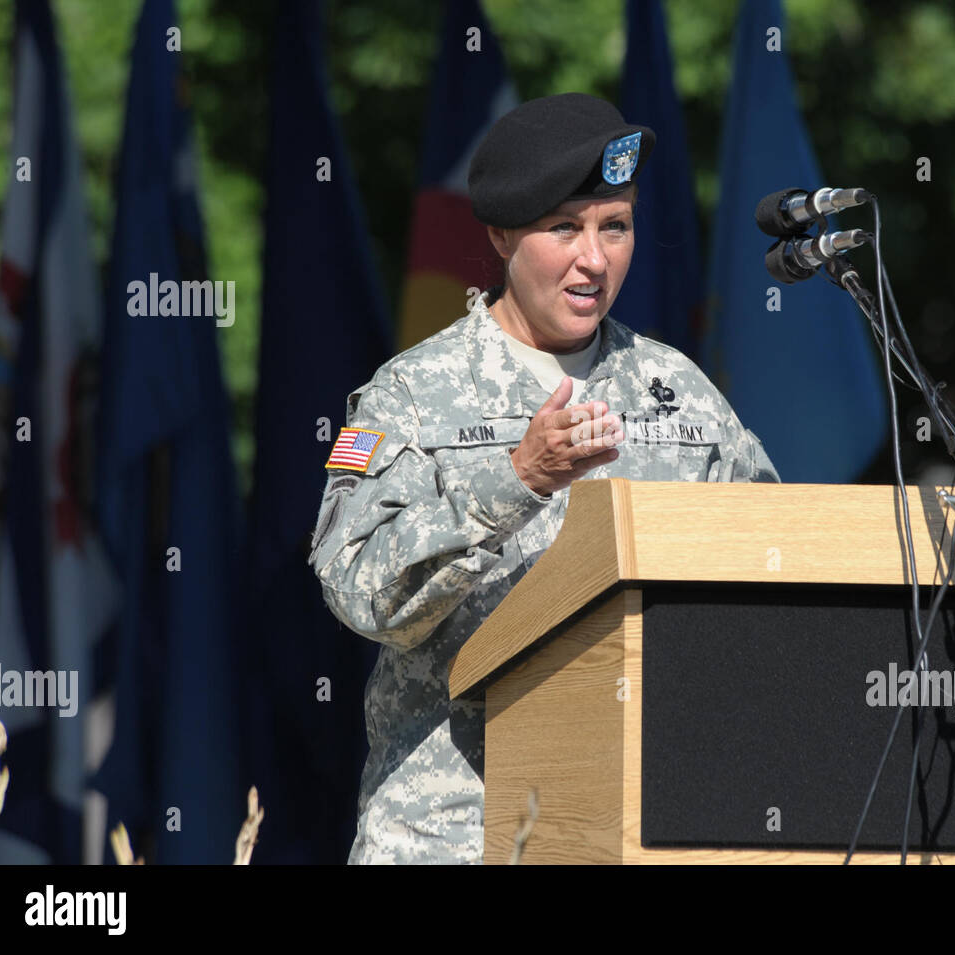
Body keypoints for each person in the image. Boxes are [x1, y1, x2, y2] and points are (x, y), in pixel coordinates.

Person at [309, 92, 779, 864]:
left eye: (615, 227)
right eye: (563, 227)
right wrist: (518, 477)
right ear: (500, 235)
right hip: (459, 834)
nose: (593, 259)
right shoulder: (412, 395)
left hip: (647, 830)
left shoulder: (680, 391)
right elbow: (358, 588)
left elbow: (772, 574)